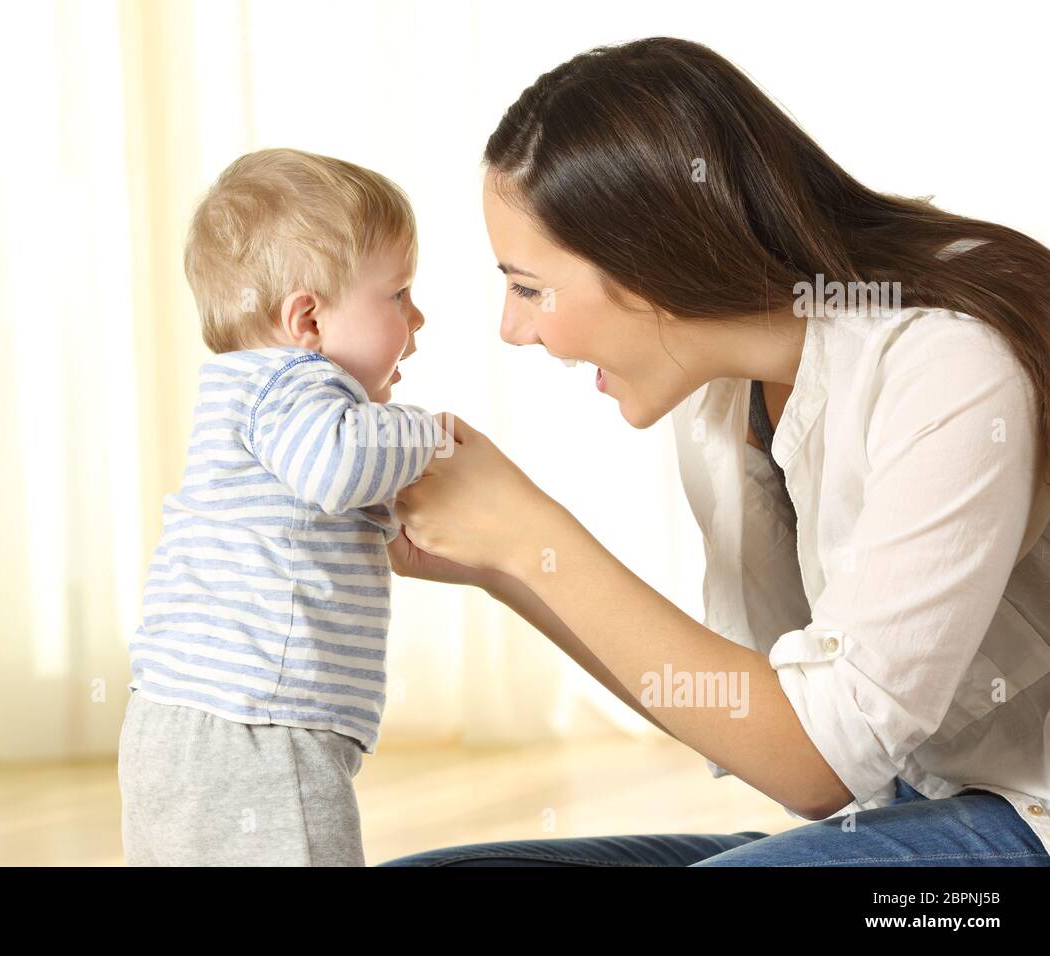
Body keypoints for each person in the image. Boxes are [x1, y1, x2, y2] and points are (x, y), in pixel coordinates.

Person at [379, 37, 1050, 867]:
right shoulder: (724, 398)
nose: (512, 330)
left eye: (528, 287)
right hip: (910, 809)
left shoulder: (945, 366)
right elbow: (759, 721)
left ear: (651, 259)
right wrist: (495, 562)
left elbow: (816, 760)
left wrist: (530, 535)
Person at [118, 147, 442, 865]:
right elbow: (336, 468)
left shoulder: (252, 390)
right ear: (308, 320)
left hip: (184, 713)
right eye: (398, 294)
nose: (418, 317)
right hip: (259, 720)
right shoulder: (292, 383)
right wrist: (430, 433)